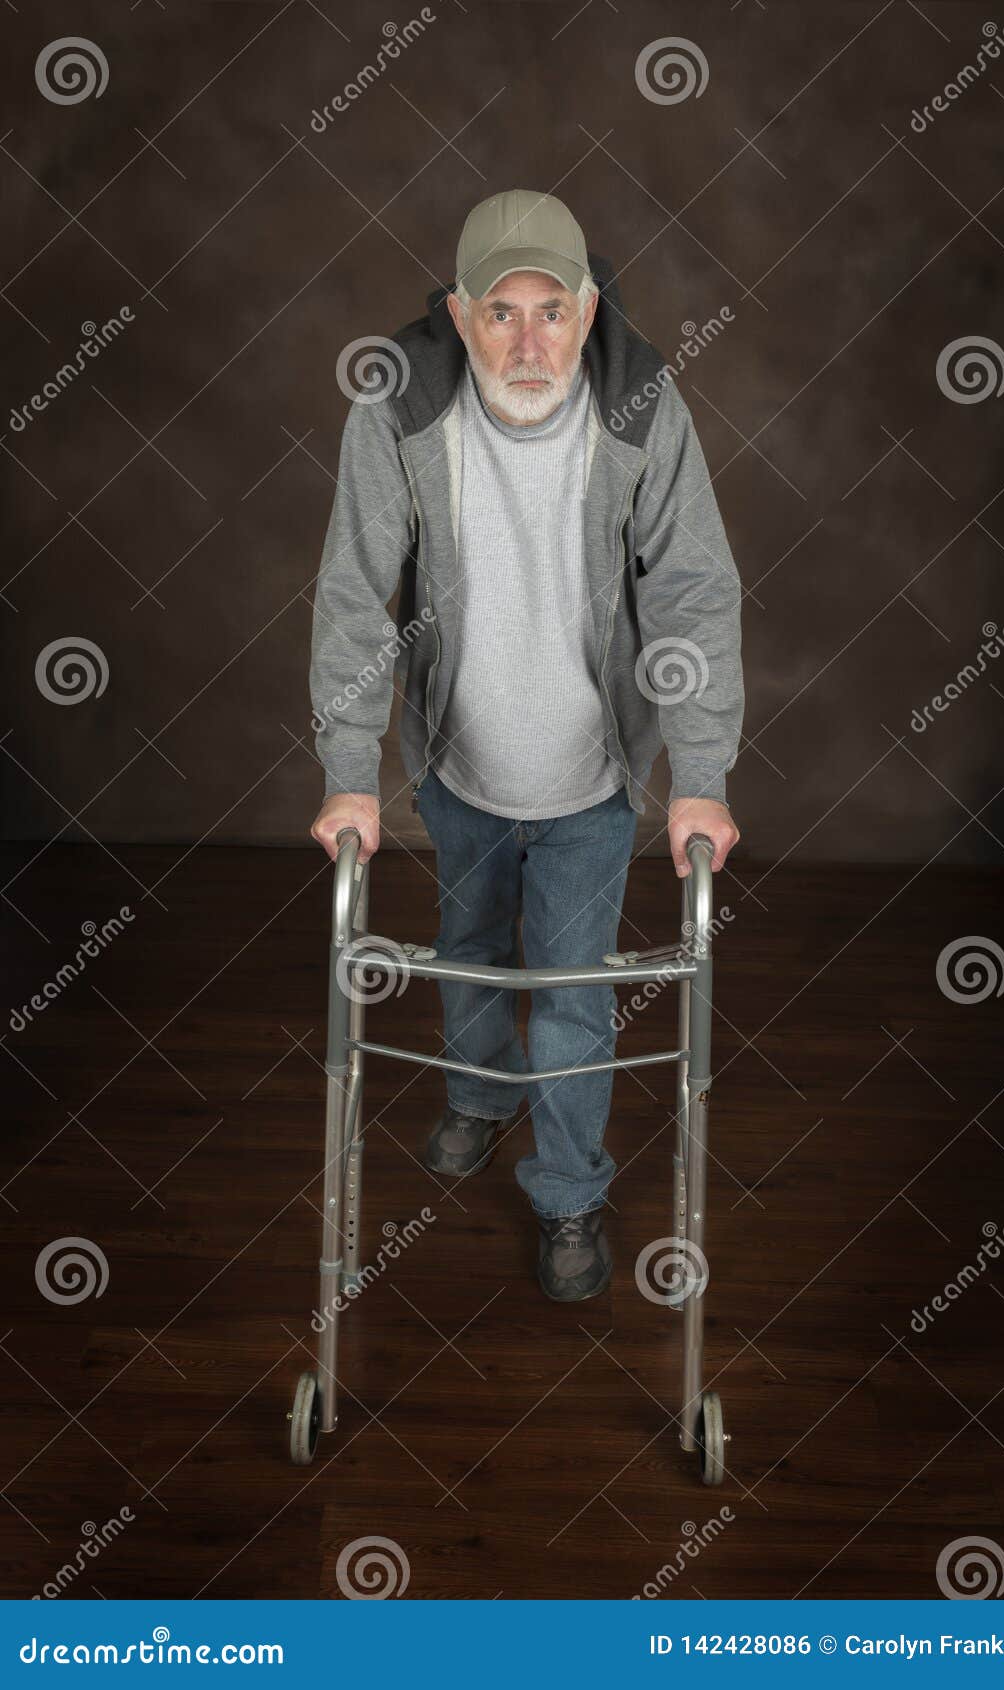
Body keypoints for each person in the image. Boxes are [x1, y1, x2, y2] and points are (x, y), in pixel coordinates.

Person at [309, 188, 743, 1302]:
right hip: (459, 756)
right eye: (500, 313)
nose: (529, 341)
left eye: (551, 310)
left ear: (588, 309)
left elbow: (693, 593)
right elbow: (355, 594)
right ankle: (477, 1092)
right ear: (457, 317)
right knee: (466, 937)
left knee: (565, 987)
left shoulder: (641, 407)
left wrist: (698, 778)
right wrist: (349, 773)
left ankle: (565, 1193)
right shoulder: (397, 407)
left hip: (589, 770)